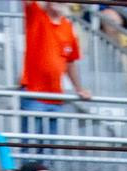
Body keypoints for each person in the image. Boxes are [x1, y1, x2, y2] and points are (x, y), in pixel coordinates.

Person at [23, 0, 91, 131]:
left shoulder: (68, 27)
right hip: (33, 94)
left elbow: (70, 62)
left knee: (50, 143)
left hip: (55, 98)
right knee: (29, 142)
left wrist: (79, 89)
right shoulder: (37, 16)